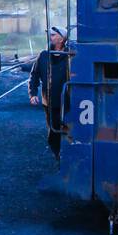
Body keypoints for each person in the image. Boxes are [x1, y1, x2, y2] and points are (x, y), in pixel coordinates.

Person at [29, 26, 69, 159]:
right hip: (49, 101)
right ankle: (57, 154)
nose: (50, 37)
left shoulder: (70, 56)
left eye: (53, 35)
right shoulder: (44, 55)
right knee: (52, 130)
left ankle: (64, 153)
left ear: (62, 38)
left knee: (66, 128)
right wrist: (33, 93)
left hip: (66, 101)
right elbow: (34, 75)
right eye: (50, 35)